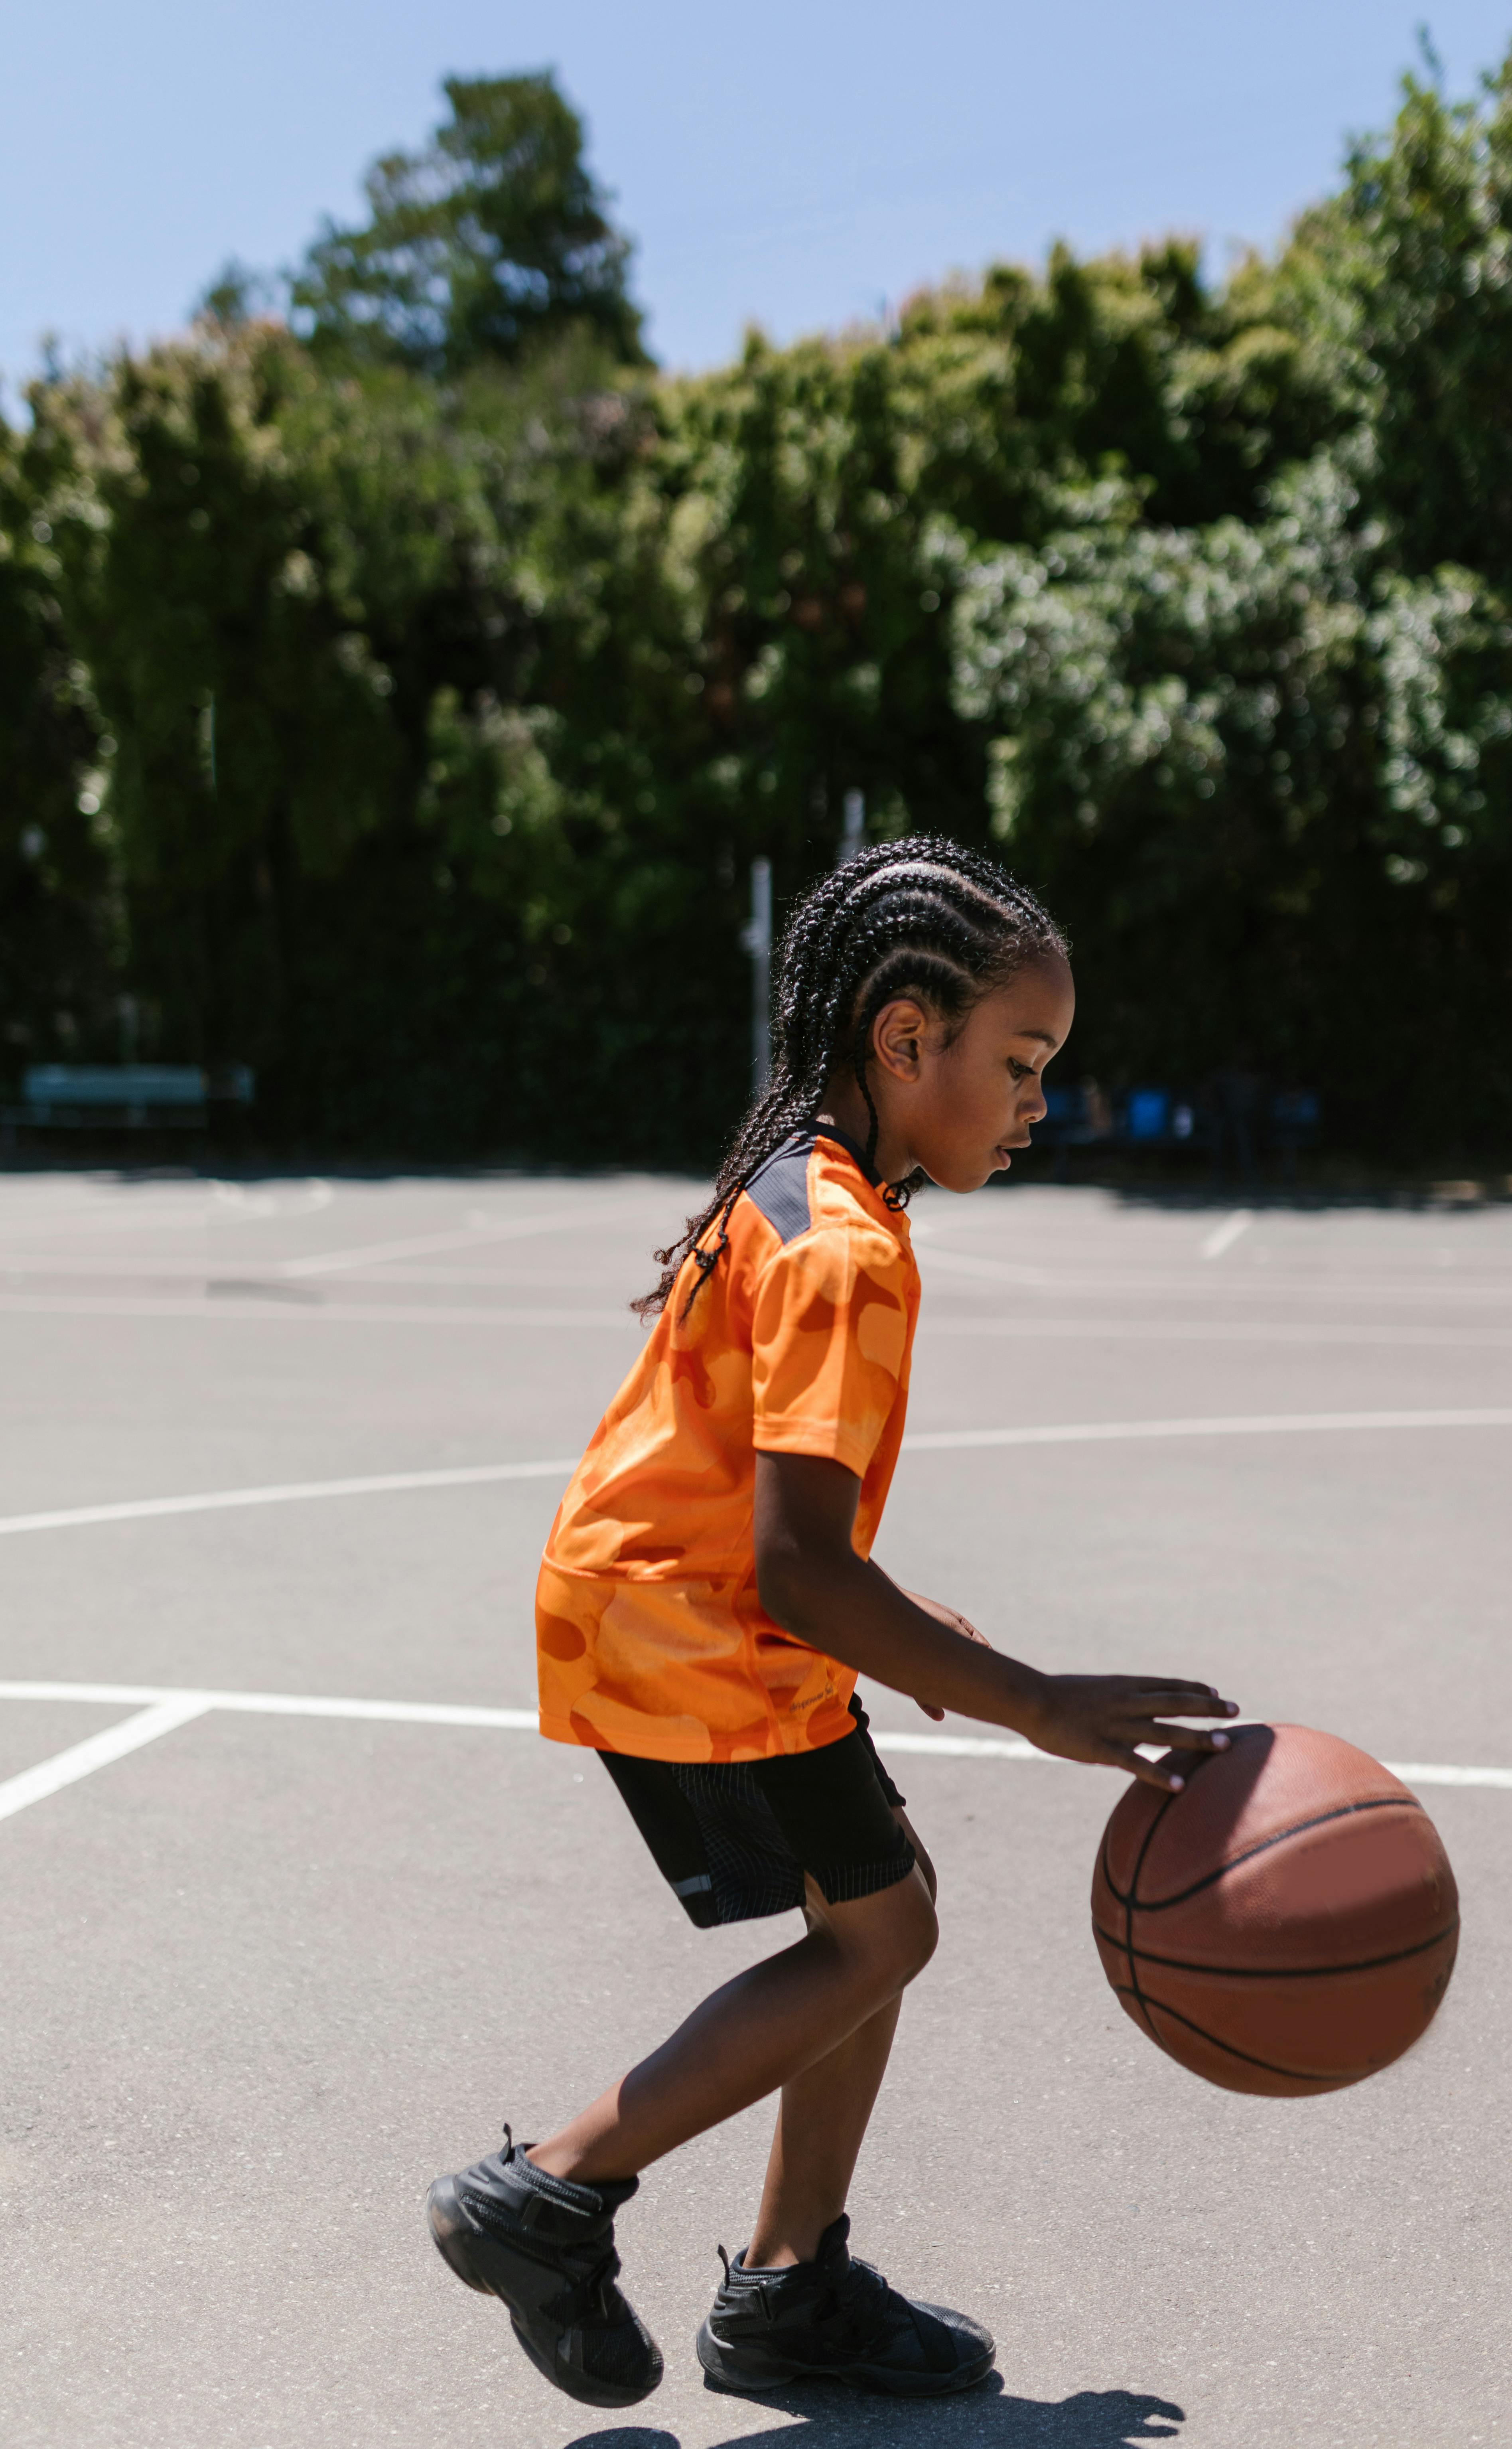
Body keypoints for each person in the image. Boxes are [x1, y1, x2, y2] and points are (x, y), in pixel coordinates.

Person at [427, 838, 1237, 2408]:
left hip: (657, 1595)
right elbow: (798, 1567)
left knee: (876, 1909)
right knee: (888, 1928)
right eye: (1018, 1062)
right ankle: (552, 2186)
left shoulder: (800, 1180)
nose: (1035, 1104)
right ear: (904, 1035)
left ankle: (789, 2284)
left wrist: (899, 1615)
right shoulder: (847, 1245)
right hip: (700, 1621)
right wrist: (1033, 1698)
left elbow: (764, 1498)